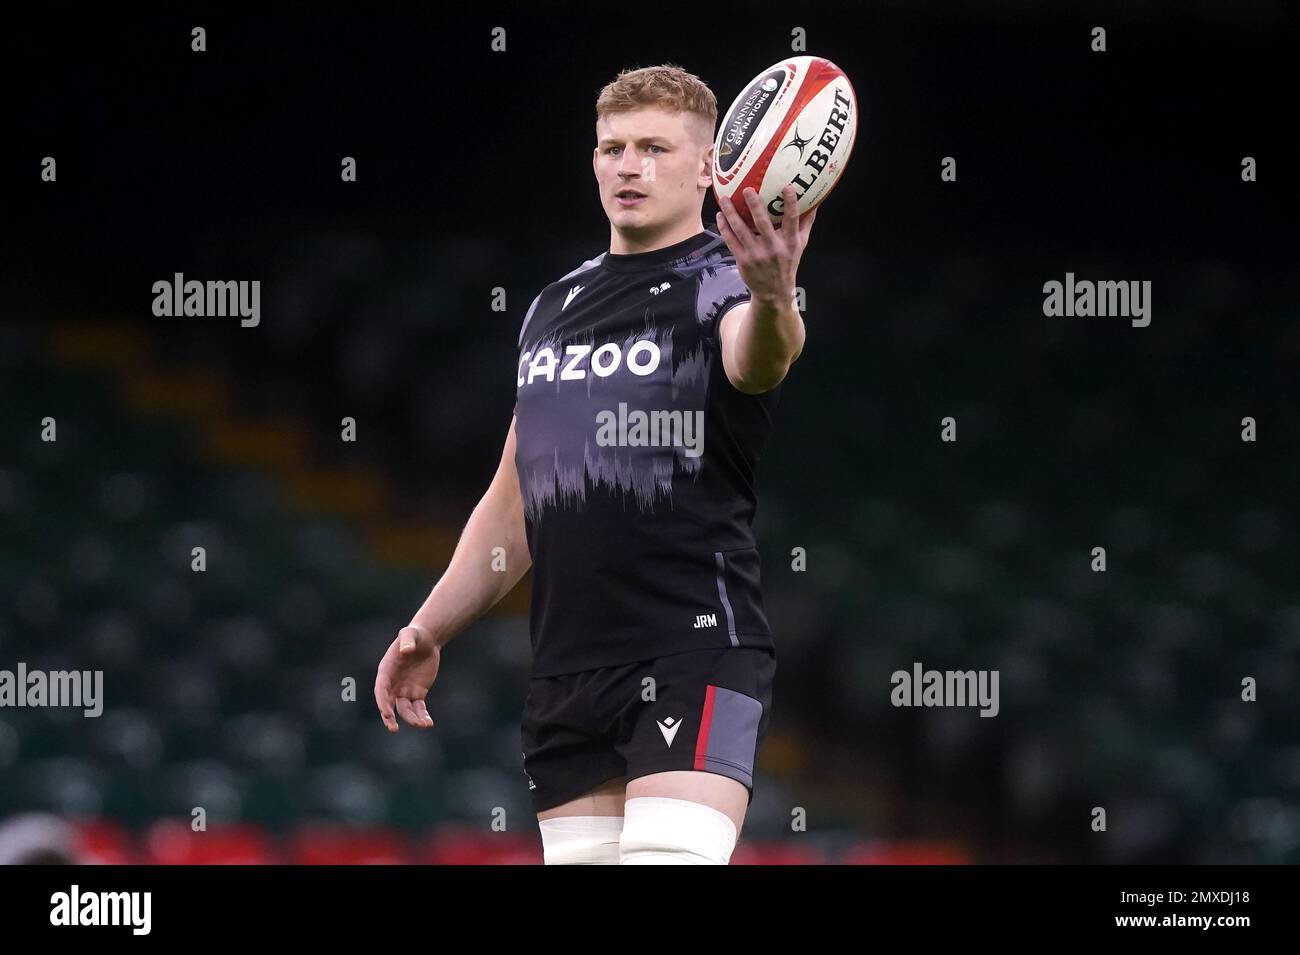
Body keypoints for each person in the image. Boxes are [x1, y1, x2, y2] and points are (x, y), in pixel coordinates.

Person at [375, 63, 817, 864]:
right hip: (567, 672)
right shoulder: (551, 309)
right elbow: (513, 501)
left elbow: (761, 360)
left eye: (654, 147)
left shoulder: (722, 283)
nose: (628, 165)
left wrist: (776, 298)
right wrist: (428, 626)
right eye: (612, 147)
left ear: (709, 166)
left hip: (694, 649)